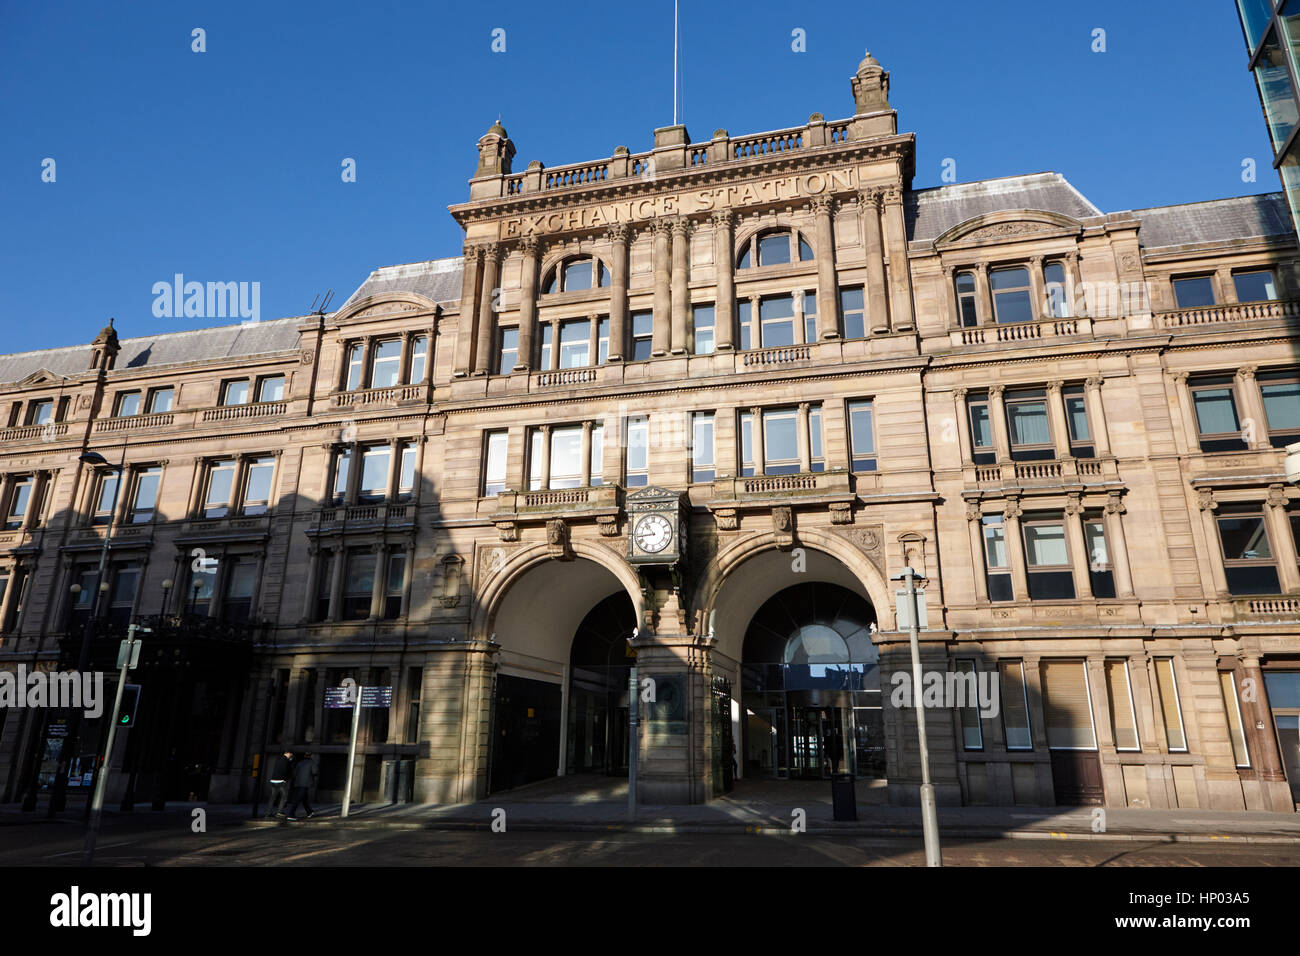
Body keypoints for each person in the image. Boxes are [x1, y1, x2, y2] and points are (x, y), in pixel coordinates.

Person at [283, 751, 318, 821]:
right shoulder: (312, 763)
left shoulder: (299, 763)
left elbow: (294, 773)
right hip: (306, 783)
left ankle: (309, 812)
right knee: (298, 799)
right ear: (311, 756)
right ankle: (291, 814)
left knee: (304, 798)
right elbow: (315, 772)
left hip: (297, 783)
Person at [266, 749, 292, 818]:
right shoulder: (286, 761)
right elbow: (285, 770)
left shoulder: (278, 759)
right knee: (284, 796)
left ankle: (268, 813)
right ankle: (279, 812)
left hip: (273, 781)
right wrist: (285, 779)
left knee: (272, 797)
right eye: (291, 754)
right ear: (288, 753)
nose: (291, 756)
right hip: (280, 781)